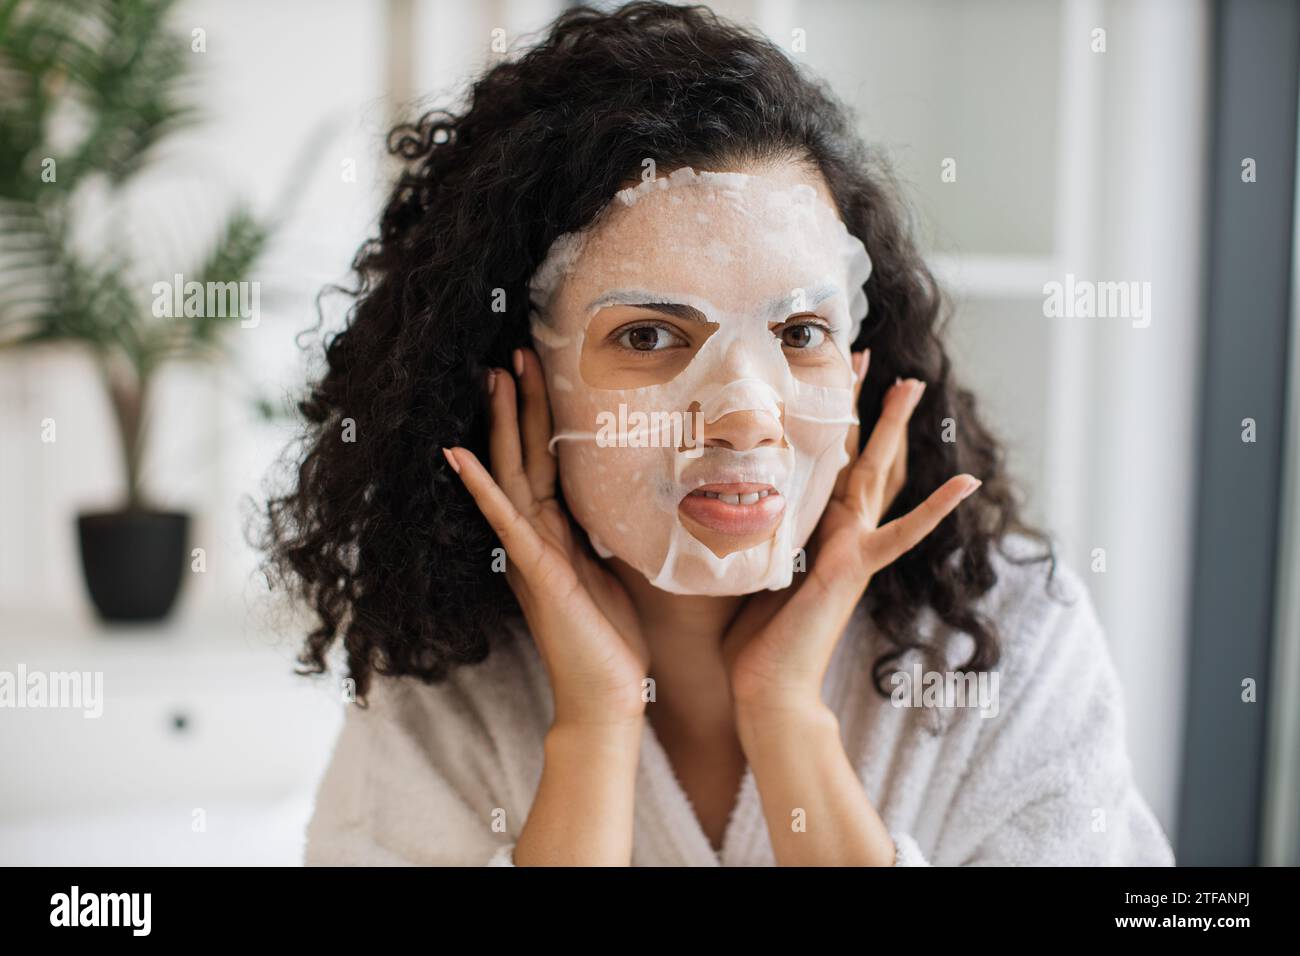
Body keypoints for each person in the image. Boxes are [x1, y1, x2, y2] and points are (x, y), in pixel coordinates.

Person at [264, 2, 1174, 866]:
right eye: (651, 336)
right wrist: (594, 726)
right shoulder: (447, 688)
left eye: (800, 334)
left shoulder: (1005, 638)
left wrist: (788, 719)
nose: (747, 414)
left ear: (857, 376)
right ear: (521, 387)